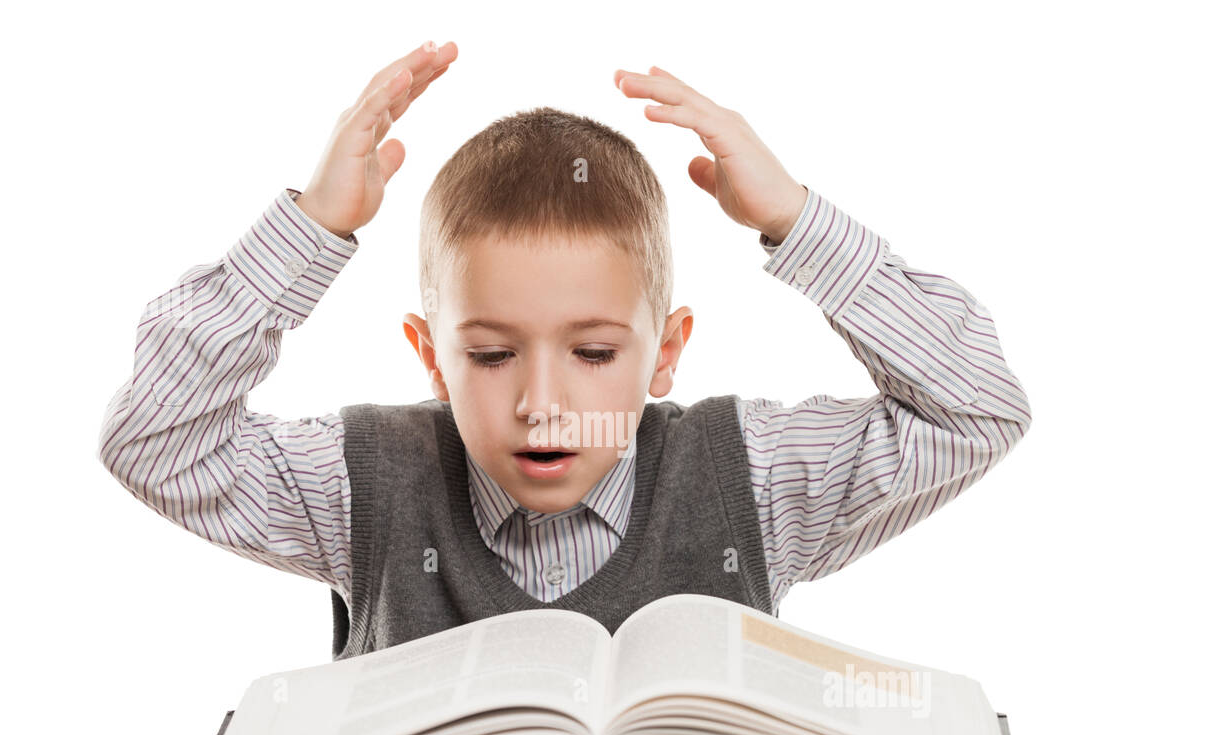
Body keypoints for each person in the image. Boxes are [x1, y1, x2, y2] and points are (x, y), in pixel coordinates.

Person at [97, 40, 1032, 660]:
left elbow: (978, 408)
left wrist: (793, 220)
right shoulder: (363, 484)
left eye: (592, 353)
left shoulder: (744, 478)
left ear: (666, 354)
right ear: (431, 356)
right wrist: (308, 231)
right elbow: (153, 443)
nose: (543, 403)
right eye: (492, 357)